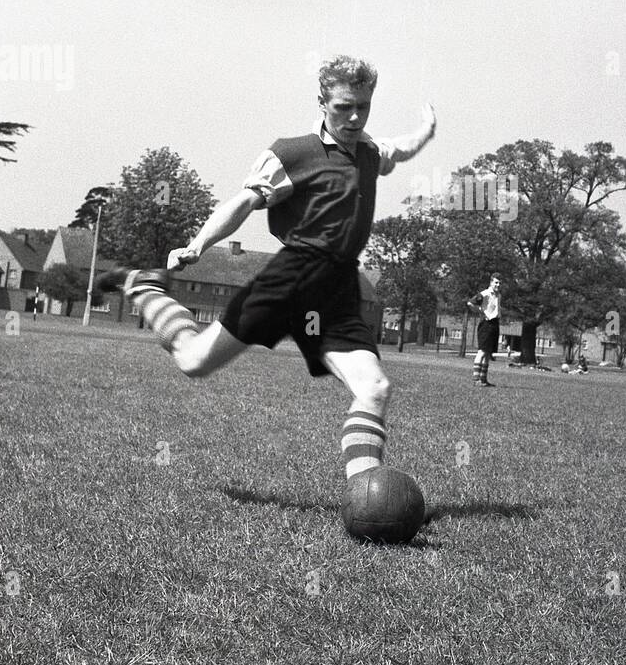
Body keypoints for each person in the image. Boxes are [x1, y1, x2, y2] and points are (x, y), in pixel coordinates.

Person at [98, 56, 436, 481]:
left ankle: (368, 497)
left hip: (339, 289)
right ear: (322, 102)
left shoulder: (367, 150)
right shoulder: (293, 152)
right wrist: (198, 243)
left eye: (362, 107)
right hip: (292, 278)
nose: (353, 118)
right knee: (193, 361)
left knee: (375, 389)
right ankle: (144, 286)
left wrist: (426, 130)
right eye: (343, 107)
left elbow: (397, 151)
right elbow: (244, 201)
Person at [467, 274, 502, 386]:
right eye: (496, 282)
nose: (498, 285)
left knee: (488, 352)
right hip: (486, 324)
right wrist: (481, 312)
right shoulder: (485, 294)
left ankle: (483, 379)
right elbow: (470, 303)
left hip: (495, 324)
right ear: (491, 282)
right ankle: (476, 379)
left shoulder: (498, 295)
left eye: (499, 283)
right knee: (482, 351)